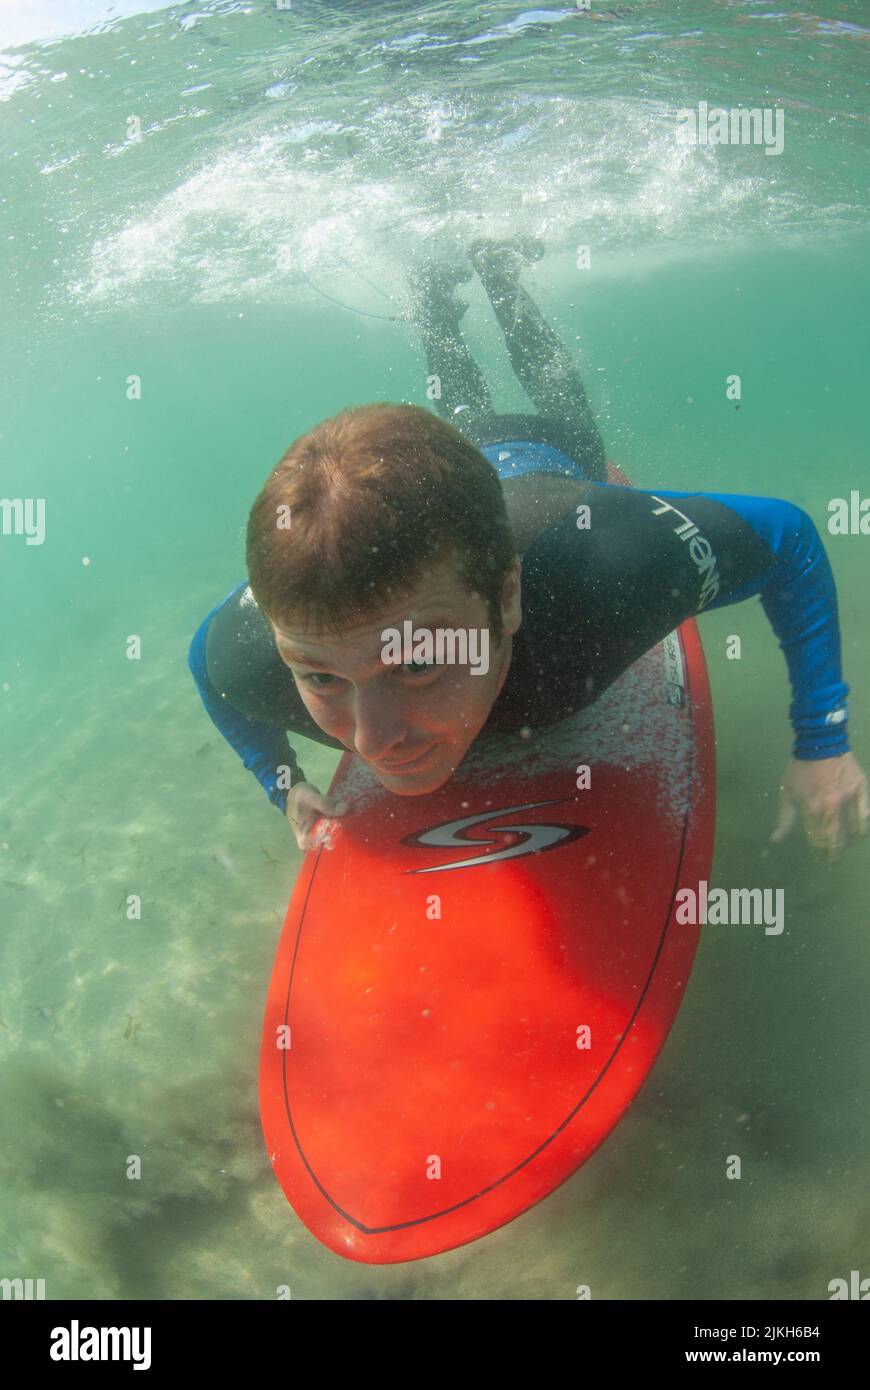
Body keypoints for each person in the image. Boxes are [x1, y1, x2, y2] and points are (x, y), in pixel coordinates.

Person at [188, 237, 867, 857]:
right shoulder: (252, 659)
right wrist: (282, 782)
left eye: (420, 660)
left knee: (555, 390)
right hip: (469, 462)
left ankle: (500, 273)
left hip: (554, 466)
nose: (372, 742)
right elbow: (207, 658)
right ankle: (434, 294)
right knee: (461, 398)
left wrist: (823, 738)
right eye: (320, 677)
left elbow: (789, 537)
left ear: (509, 595)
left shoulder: (604, 568)